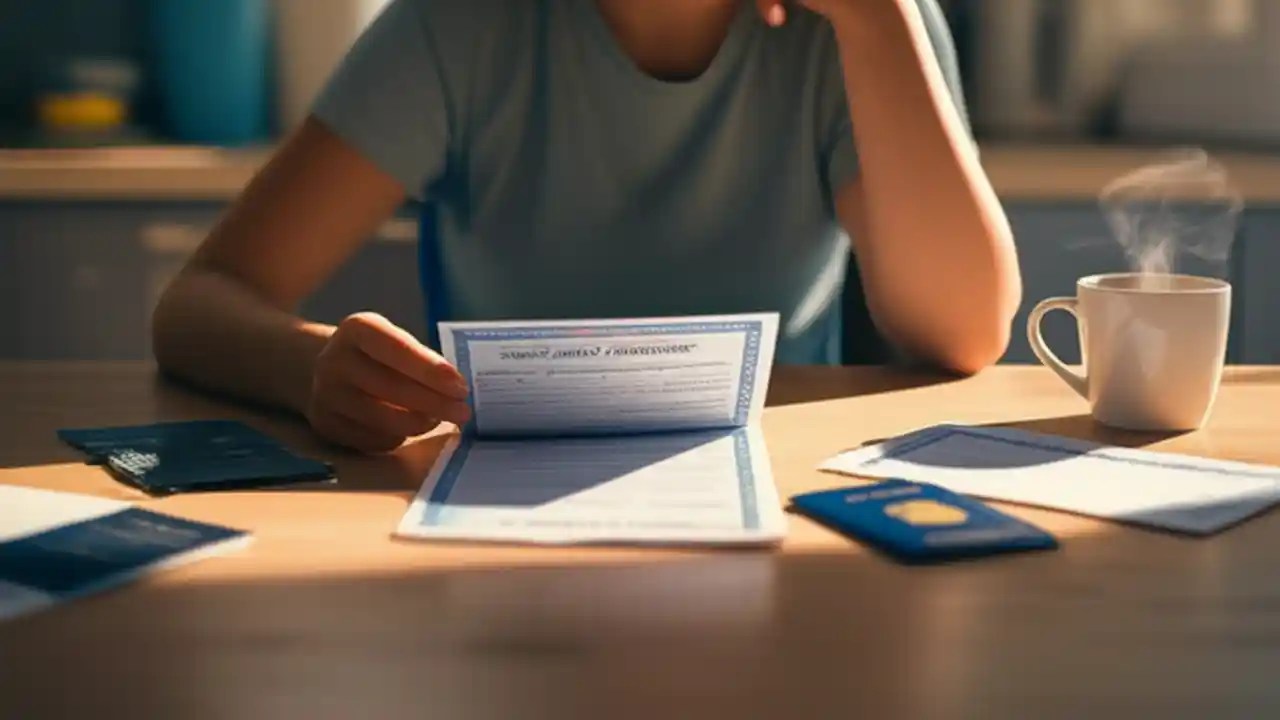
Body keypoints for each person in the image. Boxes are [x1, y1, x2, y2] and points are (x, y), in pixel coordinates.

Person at [153, 0, 1022, 454]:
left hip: (780, 485)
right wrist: (307, 367)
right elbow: (200, 301)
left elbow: (962, 334)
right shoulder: (458, 26)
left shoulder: (858, 24)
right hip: (497, 501)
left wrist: (878, 17)